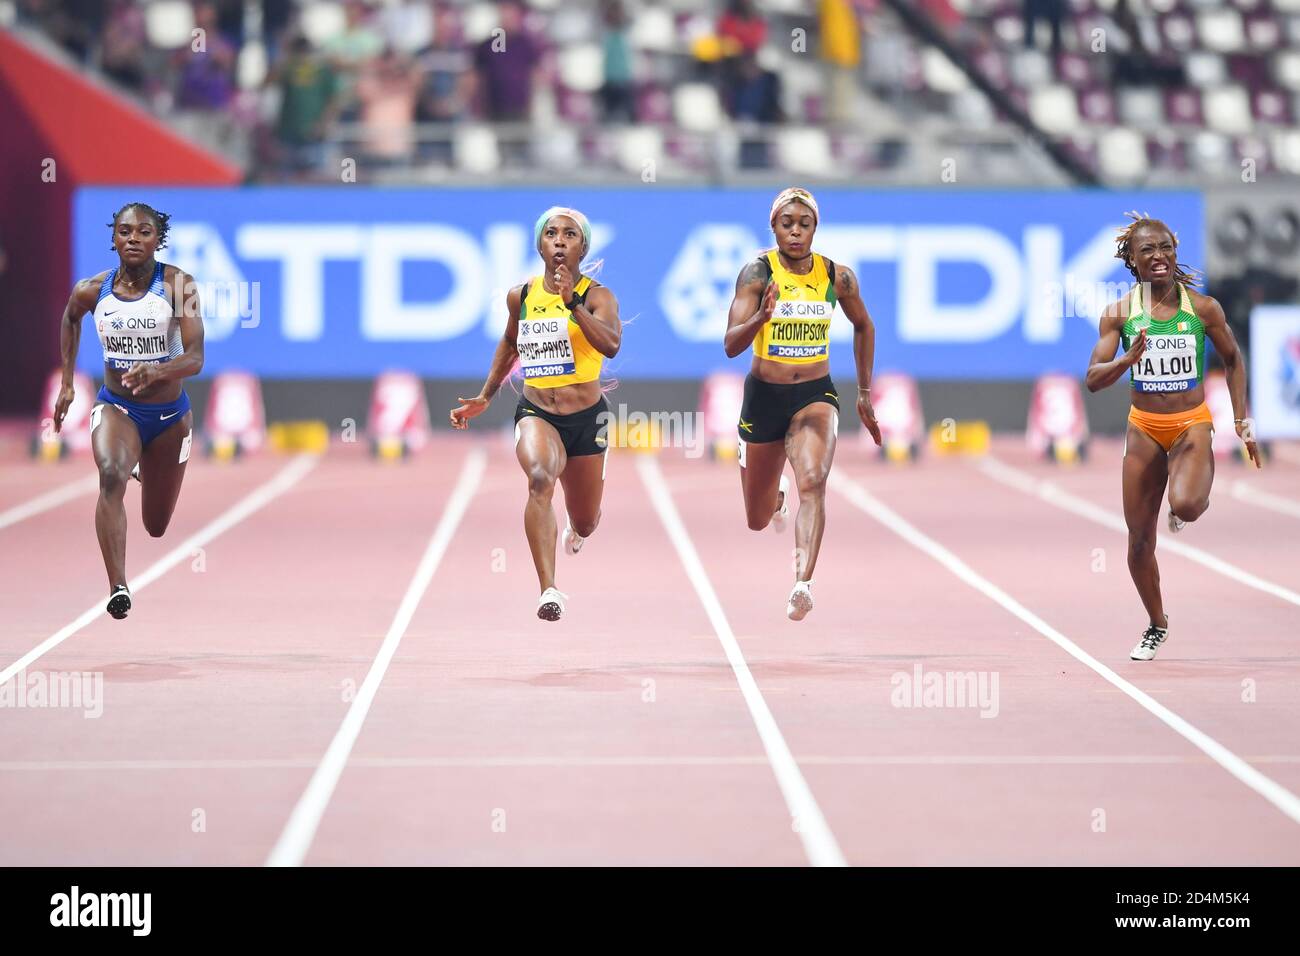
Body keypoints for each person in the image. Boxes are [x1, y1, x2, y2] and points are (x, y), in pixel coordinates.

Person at [1085, 212, 1259, 661]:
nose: (1159, 256)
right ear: (1133, 261)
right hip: (1143, 429)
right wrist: (1129, 360)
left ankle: (1191, 495)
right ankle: (1156, 623)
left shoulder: (1203, 309)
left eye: (1166, 248)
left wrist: (1242, 421)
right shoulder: (1120, 314)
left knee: (1184, 505)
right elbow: (1092, 378)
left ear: (1175, 253)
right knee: (1139, 541)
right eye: (1148, 250)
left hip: (1190, 424)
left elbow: (1234, 360)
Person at [449, 207, 621, 621]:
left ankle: (578, 530)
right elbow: (510, 343)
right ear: (539, 244)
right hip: (538, 410)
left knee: (586, 519)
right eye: (551, 233)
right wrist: (486, 395)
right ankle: (550, 590)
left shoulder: (599, 296)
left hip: (588, 418)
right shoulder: (521, 296)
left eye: (570, 235)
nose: (560, 241)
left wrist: (573, 304)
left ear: (583, 247)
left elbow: (611, 345)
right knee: (540, 479)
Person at [723, 187, 882, 621]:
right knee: (757, 519)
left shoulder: (836, 277)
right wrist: (761, 317)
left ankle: (802, 584)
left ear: (816, 228)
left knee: (813, 480)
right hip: (764, 398)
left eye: (804, 224)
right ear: (773, 227)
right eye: (786, 224)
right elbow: (730, 345)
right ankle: (775, 496)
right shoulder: (757, 274)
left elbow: (864, 326)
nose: (795, 232)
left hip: (815, 395)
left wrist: (864, 393)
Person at [53, 203, 205, 620]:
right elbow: (70, 318)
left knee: (156, 526)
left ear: (158, 240)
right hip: (118, 407)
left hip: (171, 416)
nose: (133, 239)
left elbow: (195, 359)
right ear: (113, 239)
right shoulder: (92, 289)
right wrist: (67, 383)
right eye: (124, 232)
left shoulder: (178, 286)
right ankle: (118, 585)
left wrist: (157, 370)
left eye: (143, 232)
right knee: (110, 474)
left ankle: (147, 465)